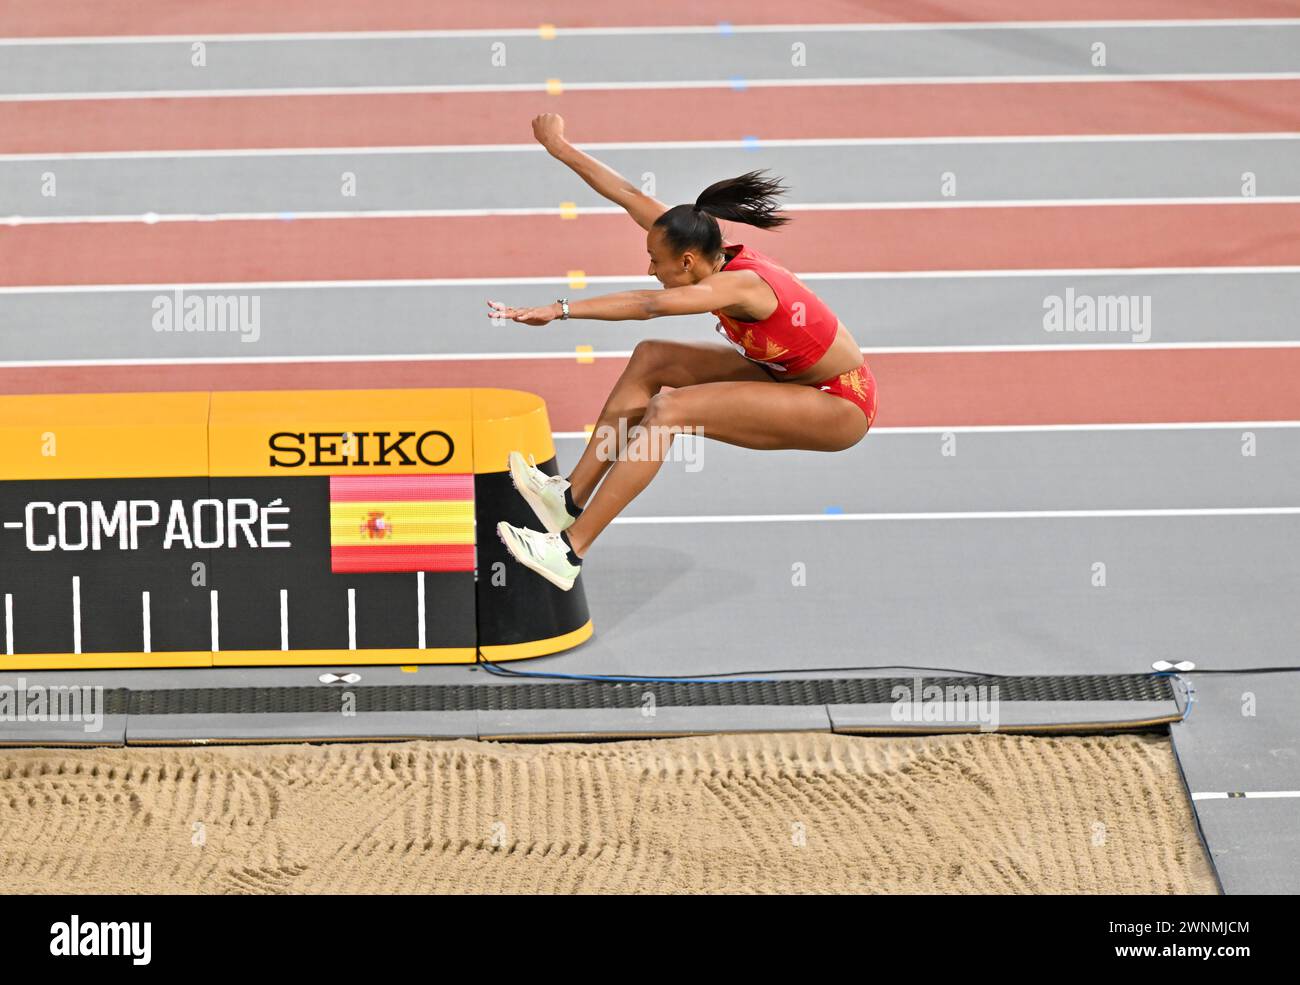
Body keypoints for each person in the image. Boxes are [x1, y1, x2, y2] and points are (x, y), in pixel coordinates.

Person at [488, 113, 877, 591]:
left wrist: (561, 308)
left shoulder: (741, 287)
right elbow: (628, 194)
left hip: (837, 403)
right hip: (785, 374)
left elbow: (649, 304)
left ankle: (569, 551)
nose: (651, 268)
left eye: (655, 261)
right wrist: (560, 147)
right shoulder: (694, 239)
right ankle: (566, 499)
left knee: (669, 410)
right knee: (652, 358)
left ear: (688, 262)